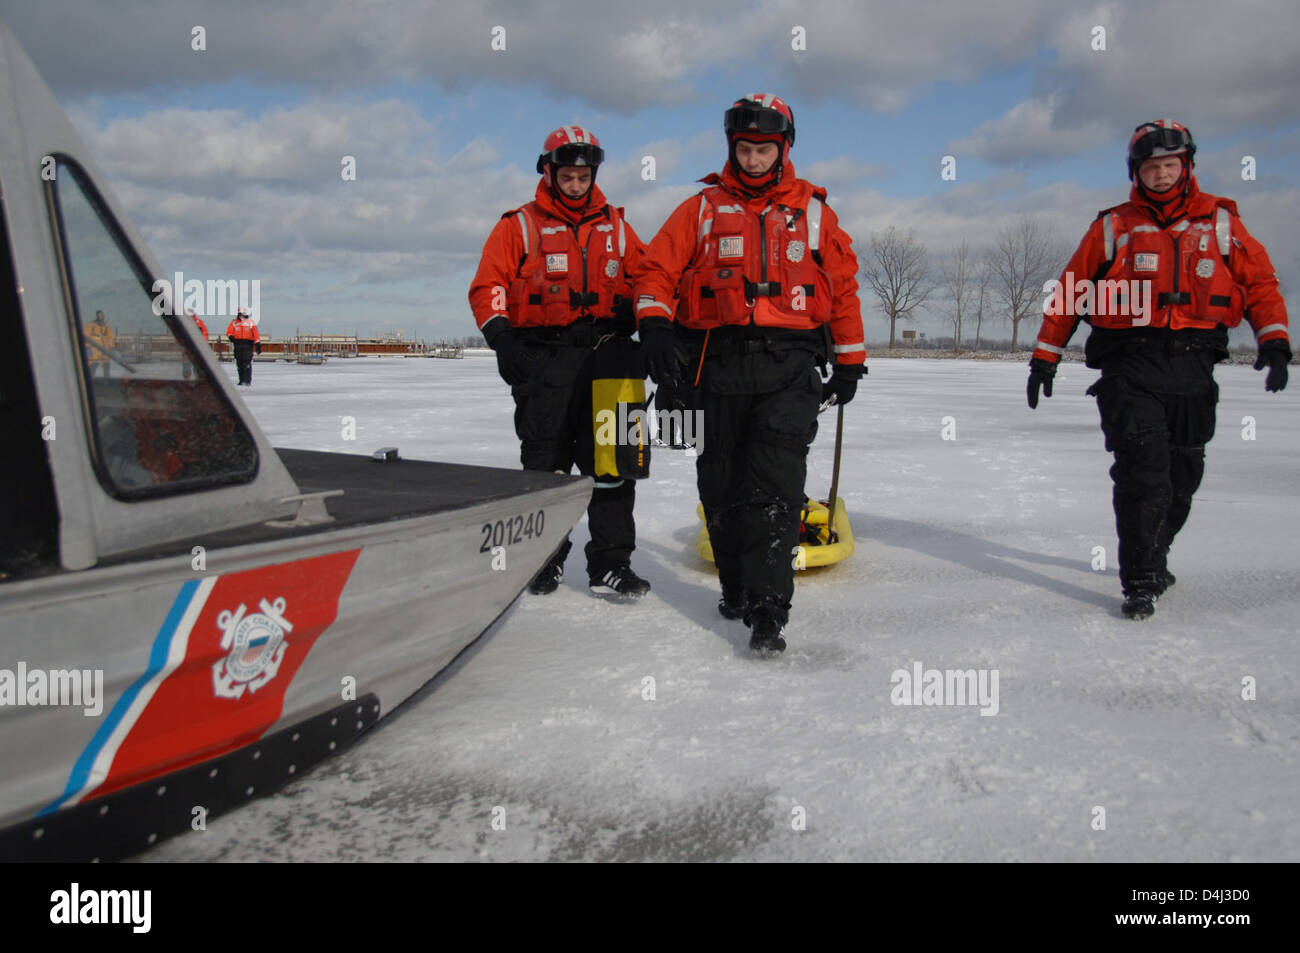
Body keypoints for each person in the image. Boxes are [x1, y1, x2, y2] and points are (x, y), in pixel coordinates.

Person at [633, 94, 867, 655]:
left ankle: (769, 609)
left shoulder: (814, 214)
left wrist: (851, 361)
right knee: (720, 480)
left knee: (776, 487)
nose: (755, 157)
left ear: (782, 149)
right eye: (745, 148)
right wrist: (657, 328)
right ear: (732, 148)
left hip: (789, 367)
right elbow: (655, 272)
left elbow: (842, 288)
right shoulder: (701, 210)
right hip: (715, 364)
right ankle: (736, 591)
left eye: (764, 148)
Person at [1029, 119, 1290, 620]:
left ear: (1186, 166)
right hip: (1131, 365)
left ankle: (1157, 550)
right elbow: (1071, 291)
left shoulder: (1221, 222)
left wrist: (1274, 341)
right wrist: (1046, 357)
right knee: (1142, 473)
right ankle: (1141, 578)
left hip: (1194, 364)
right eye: (1152, 166)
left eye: (1170, 164)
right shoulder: (1113, 226)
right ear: (1137, 171)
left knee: (1181, 476)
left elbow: (1259, 285)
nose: (1162, 174)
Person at [469, 125, 652, 598]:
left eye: (583, 176)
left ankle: (611, 564)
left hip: (611, 360)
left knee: (615, 465)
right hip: (544, 361)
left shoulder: (617, 227)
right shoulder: (518, 225)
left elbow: (650, 278)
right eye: (567, 176)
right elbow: (487, 286)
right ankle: (543, 561)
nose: (576, 185)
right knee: (545, 468)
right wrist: (502, 340)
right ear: (548, 172)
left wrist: (651, 322)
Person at [225, 307, 261, 386]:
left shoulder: (251, 323)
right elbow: (229, 331)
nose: (242, 316)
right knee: (239, 363)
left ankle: (247, 380)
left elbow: (255, 334)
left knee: (247, 362)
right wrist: (231, 336)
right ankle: (241, 380)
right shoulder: (234, 322)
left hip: (248, 345)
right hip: (237, 345)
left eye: (243, 314)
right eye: (241, 314)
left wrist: (257, 343)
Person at [84, 310, 115, 378]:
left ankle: (107, 381)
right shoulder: (91, 325)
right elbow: (85, 337)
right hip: (94, 351)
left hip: (105, 351)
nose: (101, 316)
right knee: (93, 367)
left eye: (102, 315)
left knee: (106, 366)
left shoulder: (107, 327)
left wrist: (112, 348)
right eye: (99, 315)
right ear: (97, 315)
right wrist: (87, 348)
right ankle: (91, 381)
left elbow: (110, 338)